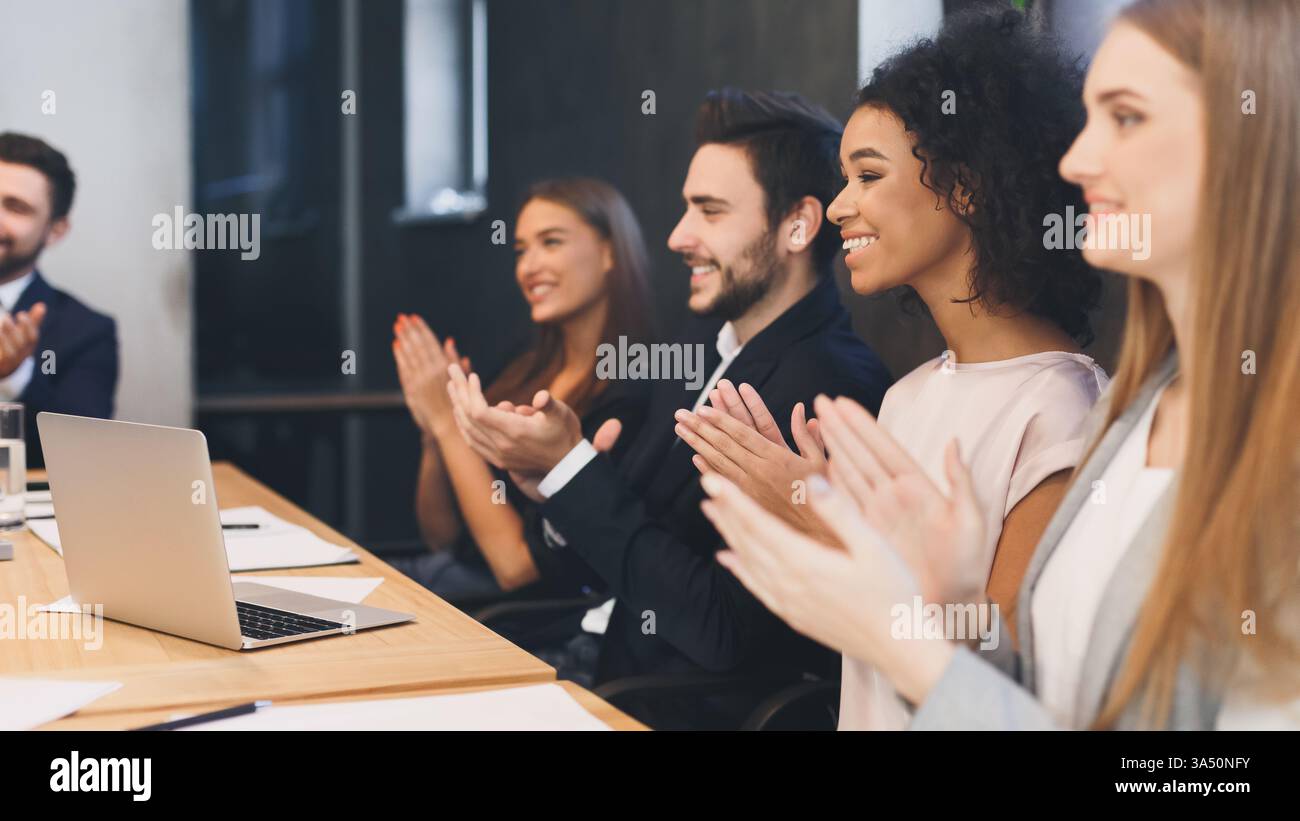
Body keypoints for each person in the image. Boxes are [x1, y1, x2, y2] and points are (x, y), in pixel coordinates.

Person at [700, 0, 1299, 730]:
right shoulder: (1136, 414)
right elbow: (1038, 690)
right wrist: (941, 594)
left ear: (1253, 138)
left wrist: (902, 622)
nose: (1078, 162)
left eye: (1128, 117)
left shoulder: (1100, 412)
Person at [675, 8, 1107, 728]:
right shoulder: (906, 396)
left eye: (868, 175)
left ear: (966, 185)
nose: (841, 205)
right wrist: (812, 520)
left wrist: (816, 515)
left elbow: (1002, 689)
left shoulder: (1059, 409)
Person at [446, 89, 892, 728]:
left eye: (709, 211)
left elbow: (723, 634)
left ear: (798, 223)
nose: (679, 237)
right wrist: (557, 483)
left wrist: (575, 471)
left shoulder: (829, 388)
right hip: (594, 664)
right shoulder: (699, 358)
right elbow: (602, 559)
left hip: (657, 706)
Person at [390, 178, 653, 602]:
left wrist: (447, 421)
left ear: (609, 252)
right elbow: (441, 537)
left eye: (550, 243)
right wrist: (435, 432)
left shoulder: (628, 396)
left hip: (510, 620)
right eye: (521, 250)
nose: (528, 267)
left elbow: (515, 568)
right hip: (447, 580)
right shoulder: (523, 368)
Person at [0, 132, 118, 467]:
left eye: (16, 207)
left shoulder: (86, 331)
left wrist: (14, 376)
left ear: (55, 230)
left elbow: (83, 457)